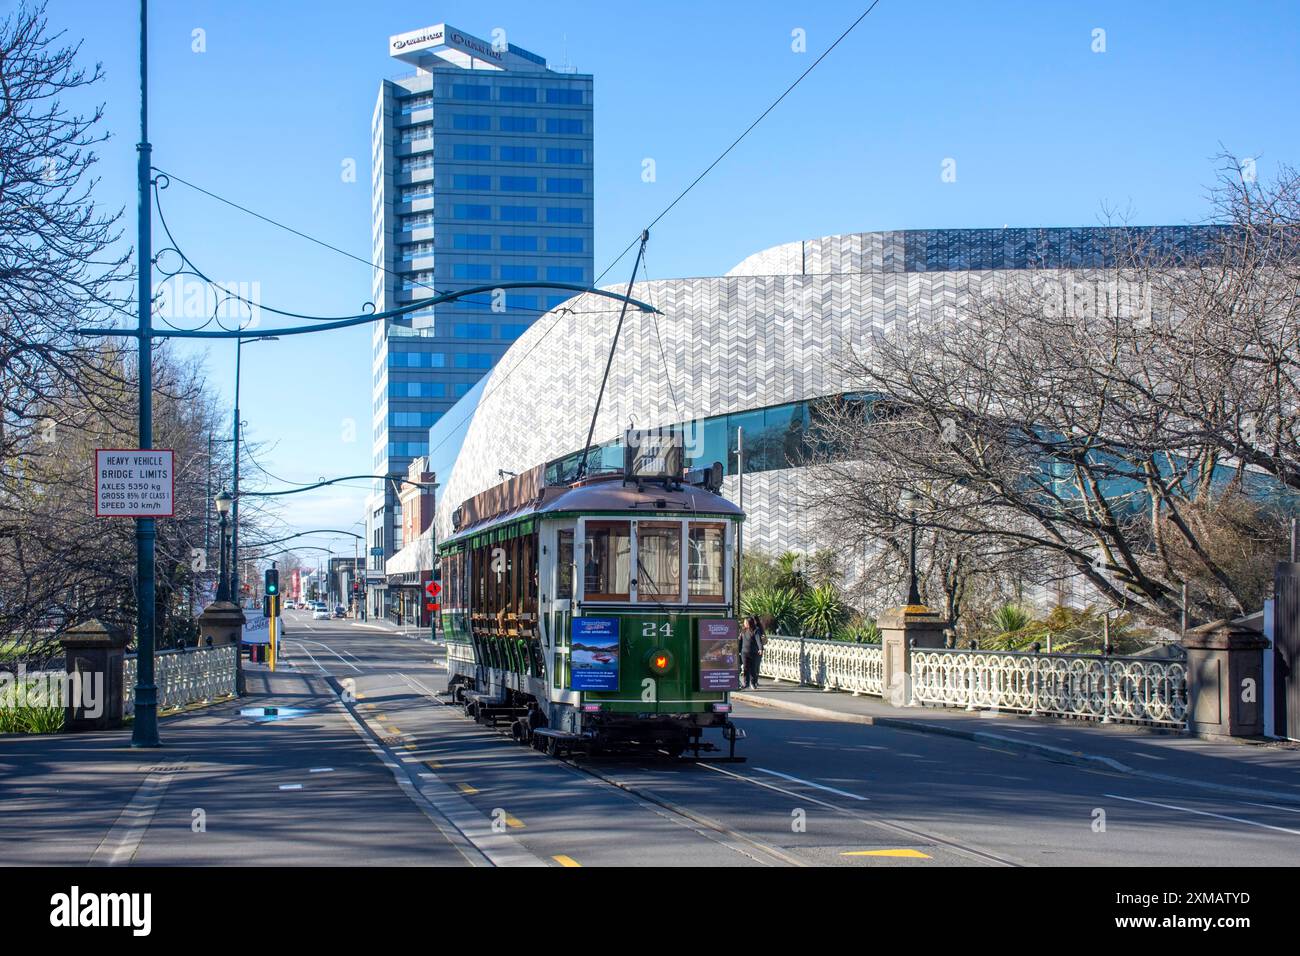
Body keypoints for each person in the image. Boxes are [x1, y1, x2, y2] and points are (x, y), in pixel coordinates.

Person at [740, 615, 765, 689]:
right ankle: (746, 683)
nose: (744, 623)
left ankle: (753, 683)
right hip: (744, 652)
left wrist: (760, 649)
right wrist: (737, 650)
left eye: (745, 622)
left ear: (749, 623)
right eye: (744, 622)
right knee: (745, 668)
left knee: (753, 669)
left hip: (753, 652)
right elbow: (740, 641)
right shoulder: (743, 630)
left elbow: (758, 640)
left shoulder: (755, 630)